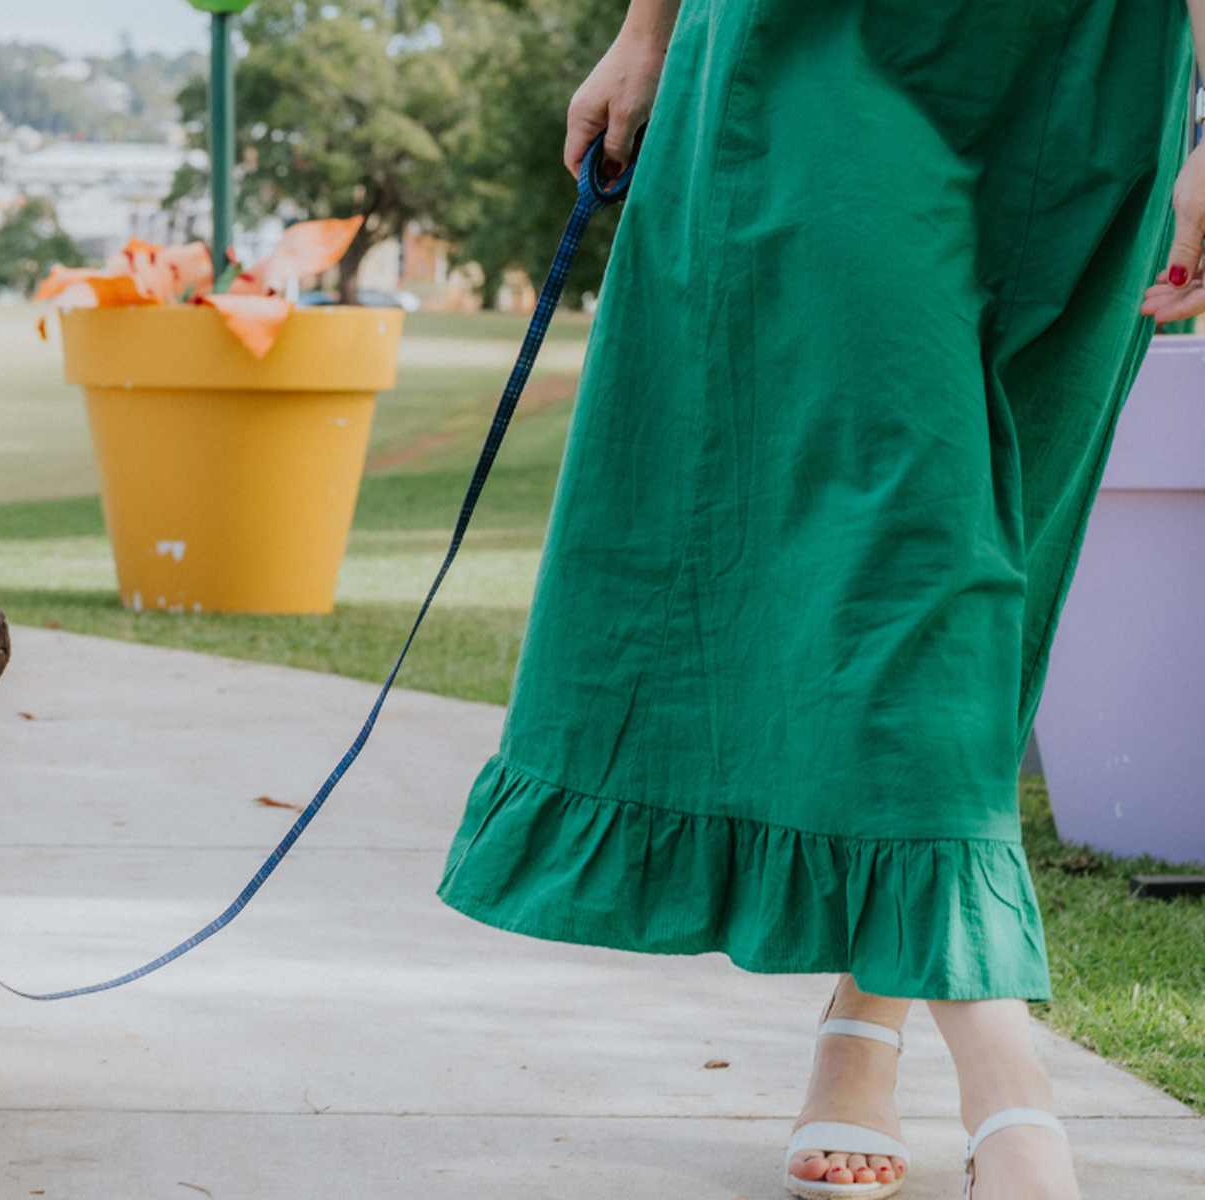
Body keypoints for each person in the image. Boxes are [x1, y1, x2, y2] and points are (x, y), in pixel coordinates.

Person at [436, 2, 1204, 1198]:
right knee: (918, 534)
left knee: (999, 549)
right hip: (825, 58)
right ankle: (1009, 1076)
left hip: (1099, 68)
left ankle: (867, 1019)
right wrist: (648, 29)